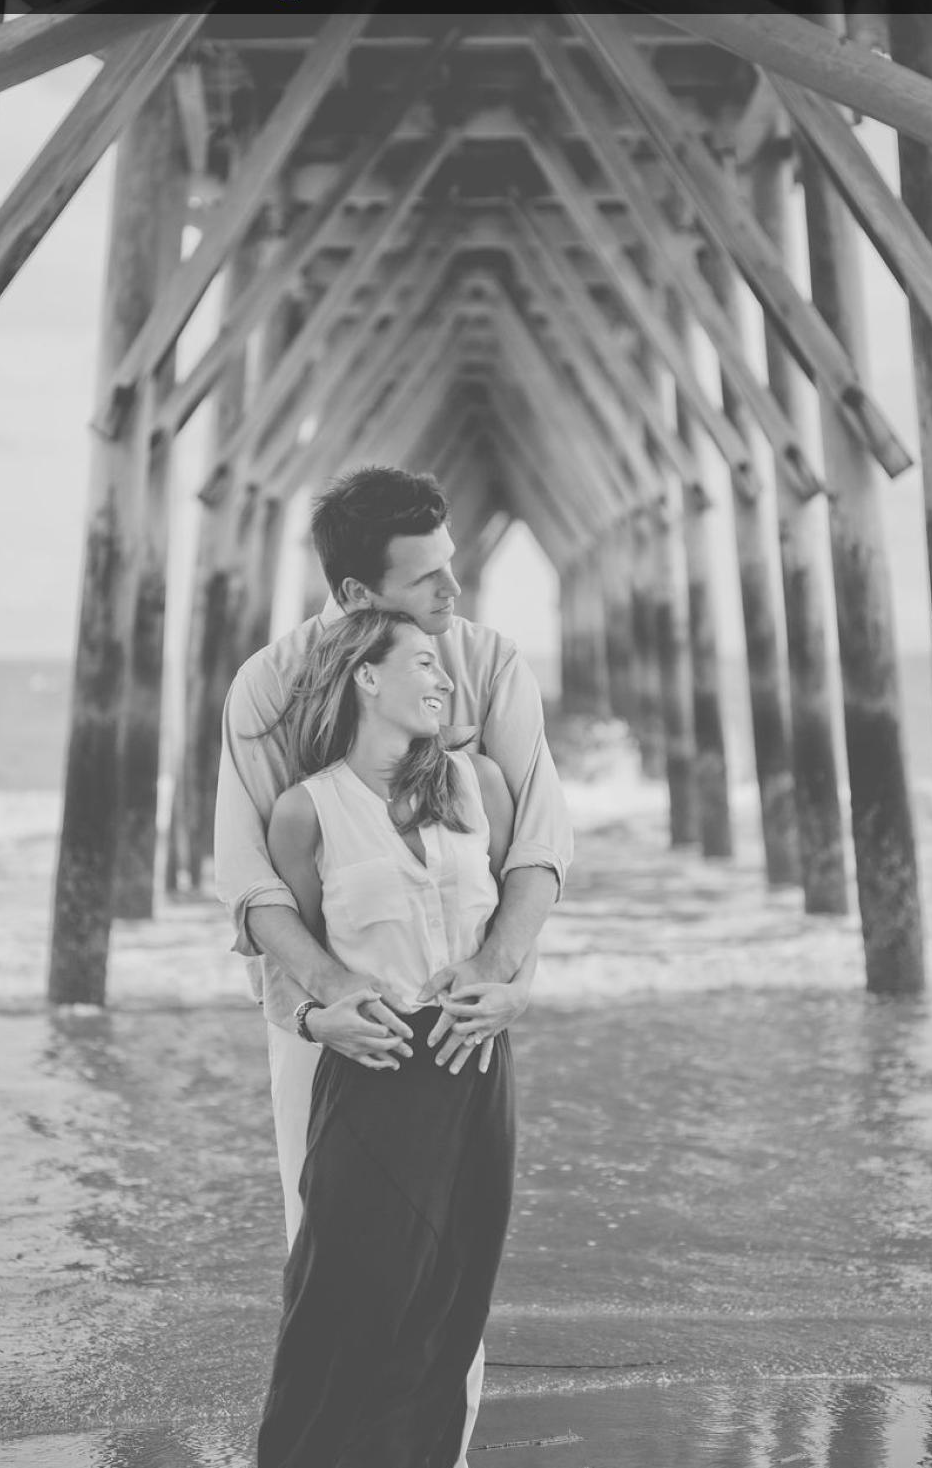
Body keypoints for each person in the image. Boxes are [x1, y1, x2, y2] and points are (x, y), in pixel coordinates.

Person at [214, 466, 573, 1463]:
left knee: (452, 1286)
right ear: (355, 598)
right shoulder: (269, 688)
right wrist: (327, 1001)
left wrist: (502, 975)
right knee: (333, 1262)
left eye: (450, 569)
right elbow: (254, 886)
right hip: (321, 1027)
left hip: (464, 1028)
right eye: (427, 581)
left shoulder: (489, 668)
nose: (454, 594)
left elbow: (535, 849)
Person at [255, 608, 519, 1466]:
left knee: (447, 1321)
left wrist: (514, 992)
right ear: (366, 676)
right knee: (339, 1320)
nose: (443, 679)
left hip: (478, 1076)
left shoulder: (479, 784)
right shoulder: (307, 811)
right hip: (373, 1082)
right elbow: (279, 959)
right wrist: (310, 1016)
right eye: (424, 663)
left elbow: (513, 935)